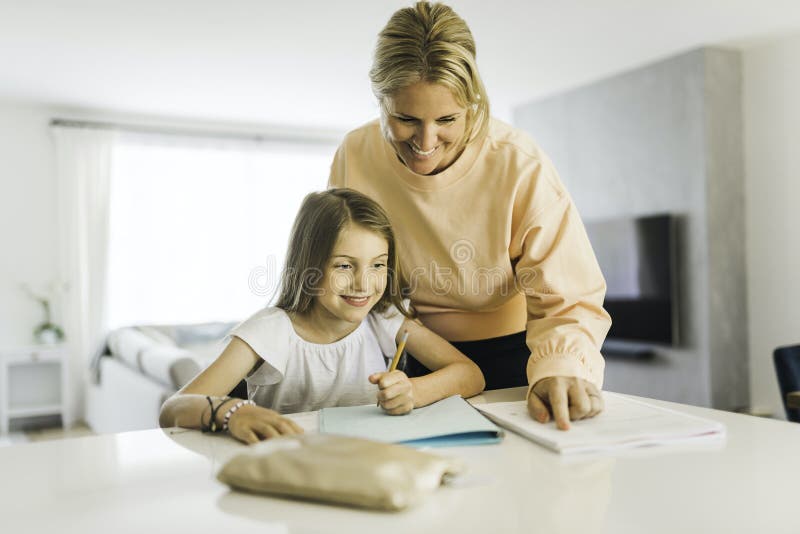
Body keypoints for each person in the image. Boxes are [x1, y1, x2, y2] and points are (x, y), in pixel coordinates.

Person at [328, 1, 612, 430]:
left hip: (518, 356)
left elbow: (566, 297)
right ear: (380, 100)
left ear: (472, 103)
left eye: (447, 119)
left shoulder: (519, 163)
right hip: (411, 358)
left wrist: (561, 366)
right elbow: (339, 264)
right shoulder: (356, 154)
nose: (426, 141)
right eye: (405, 119)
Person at [159, 188, 485, 444]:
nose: (363, 284)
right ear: (308, 266)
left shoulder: (383, 317)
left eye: (377, 265)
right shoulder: (270, 331)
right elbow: (174, 408)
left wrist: (414, 392)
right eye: (344, 265)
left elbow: (470, 374)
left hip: (366, 465)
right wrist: (233, 412)